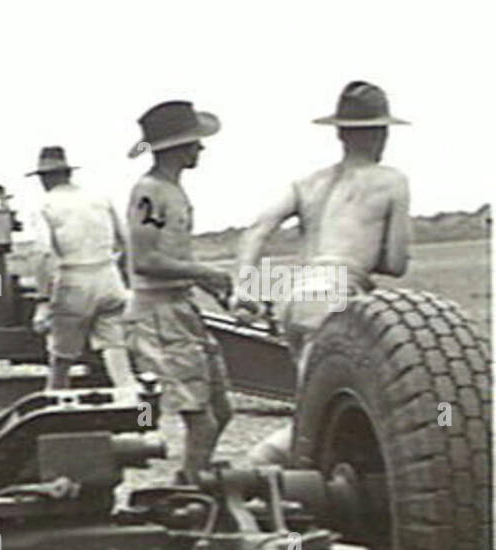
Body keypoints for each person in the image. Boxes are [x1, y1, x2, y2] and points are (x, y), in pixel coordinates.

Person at [234, 81, 412, 466]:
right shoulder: (391, 181)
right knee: (319, 417)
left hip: (297, 296)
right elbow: (397, 262)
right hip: (336, 297)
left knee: (315, 403)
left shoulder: (308, 183)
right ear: (380, 134)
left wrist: (246, 285)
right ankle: (249, 472)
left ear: (340, 133)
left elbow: (257, 229)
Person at [123, 102, 235, 483]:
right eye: (195, 143)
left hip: (181, 308)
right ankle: (192, 488)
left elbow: (170, 257)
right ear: (178, 147)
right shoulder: (150, 193)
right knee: (201, 421)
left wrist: (214, 286)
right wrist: (207, 271)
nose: (200, 149)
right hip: (158, 316)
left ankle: (193, 477)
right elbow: (144, 260)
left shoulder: (171, 191)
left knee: (222, 410)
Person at [26, 146, 135, 390]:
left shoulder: (45, 205)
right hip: (109, 277)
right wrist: (125, 280)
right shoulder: (100, 198)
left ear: (44, 178)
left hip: (73, 280)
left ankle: (54, 408)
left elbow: (43, 253)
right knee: (116, 351)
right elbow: (126, 241)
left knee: (61, 357)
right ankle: (135, 406)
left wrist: (43, 301)